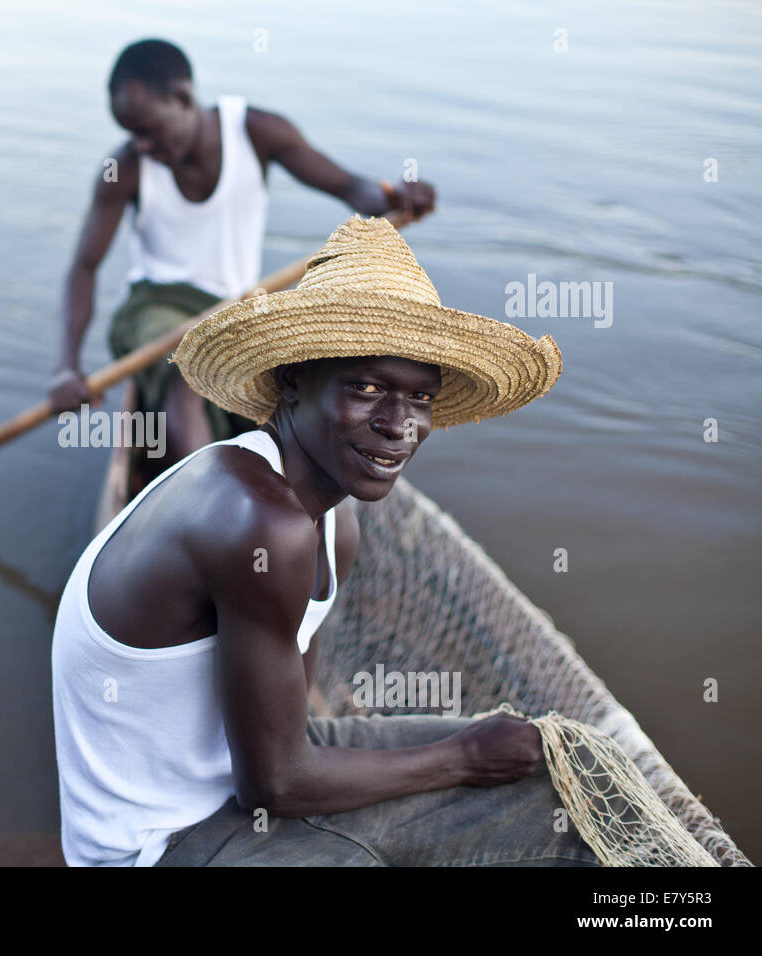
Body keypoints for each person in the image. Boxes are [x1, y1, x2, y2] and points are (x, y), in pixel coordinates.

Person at [49, 215, 594, 867]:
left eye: (419, 397)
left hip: (245, 771)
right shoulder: (256, 518)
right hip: (154, 841)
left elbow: (298, 729)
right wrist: (464, 758)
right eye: (366, 388)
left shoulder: (337, 524)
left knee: (547, 772)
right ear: (292, 380)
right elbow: (275, 784)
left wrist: (464, 763)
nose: (398, 426)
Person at [48, 38, 437, 480]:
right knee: (190, 367)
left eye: (149, 129)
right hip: (156, 307)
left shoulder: (257, 132)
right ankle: (207, 502)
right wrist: (66, 367)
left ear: (182, 98)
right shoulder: (125, 169)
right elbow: (83, 268)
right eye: (131, 133)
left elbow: (352, 188)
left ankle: (266, 488)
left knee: (287, 390)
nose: (142, 145)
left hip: (240, 308)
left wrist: (395, 198)